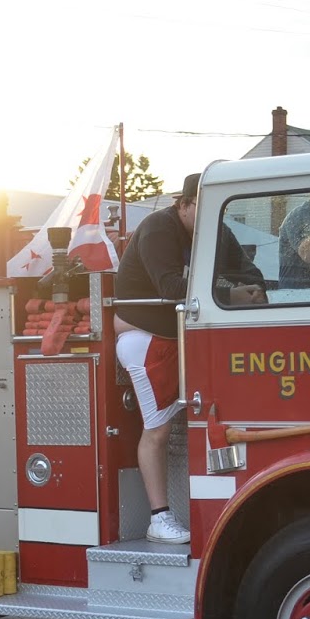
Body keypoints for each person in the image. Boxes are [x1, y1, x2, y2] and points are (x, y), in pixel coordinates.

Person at [114, 173, 264, 544]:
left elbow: (253, 274)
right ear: (183, 204)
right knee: (158, 429)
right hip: (145, 339)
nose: (212, 215)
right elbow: (170, 287)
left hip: (190, 338)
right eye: (203, 206)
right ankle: (158, 518)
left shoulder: (215, 227)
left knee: (216, 415)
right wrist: (232, 292)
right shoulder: (156, 230)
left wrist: (247, 288)